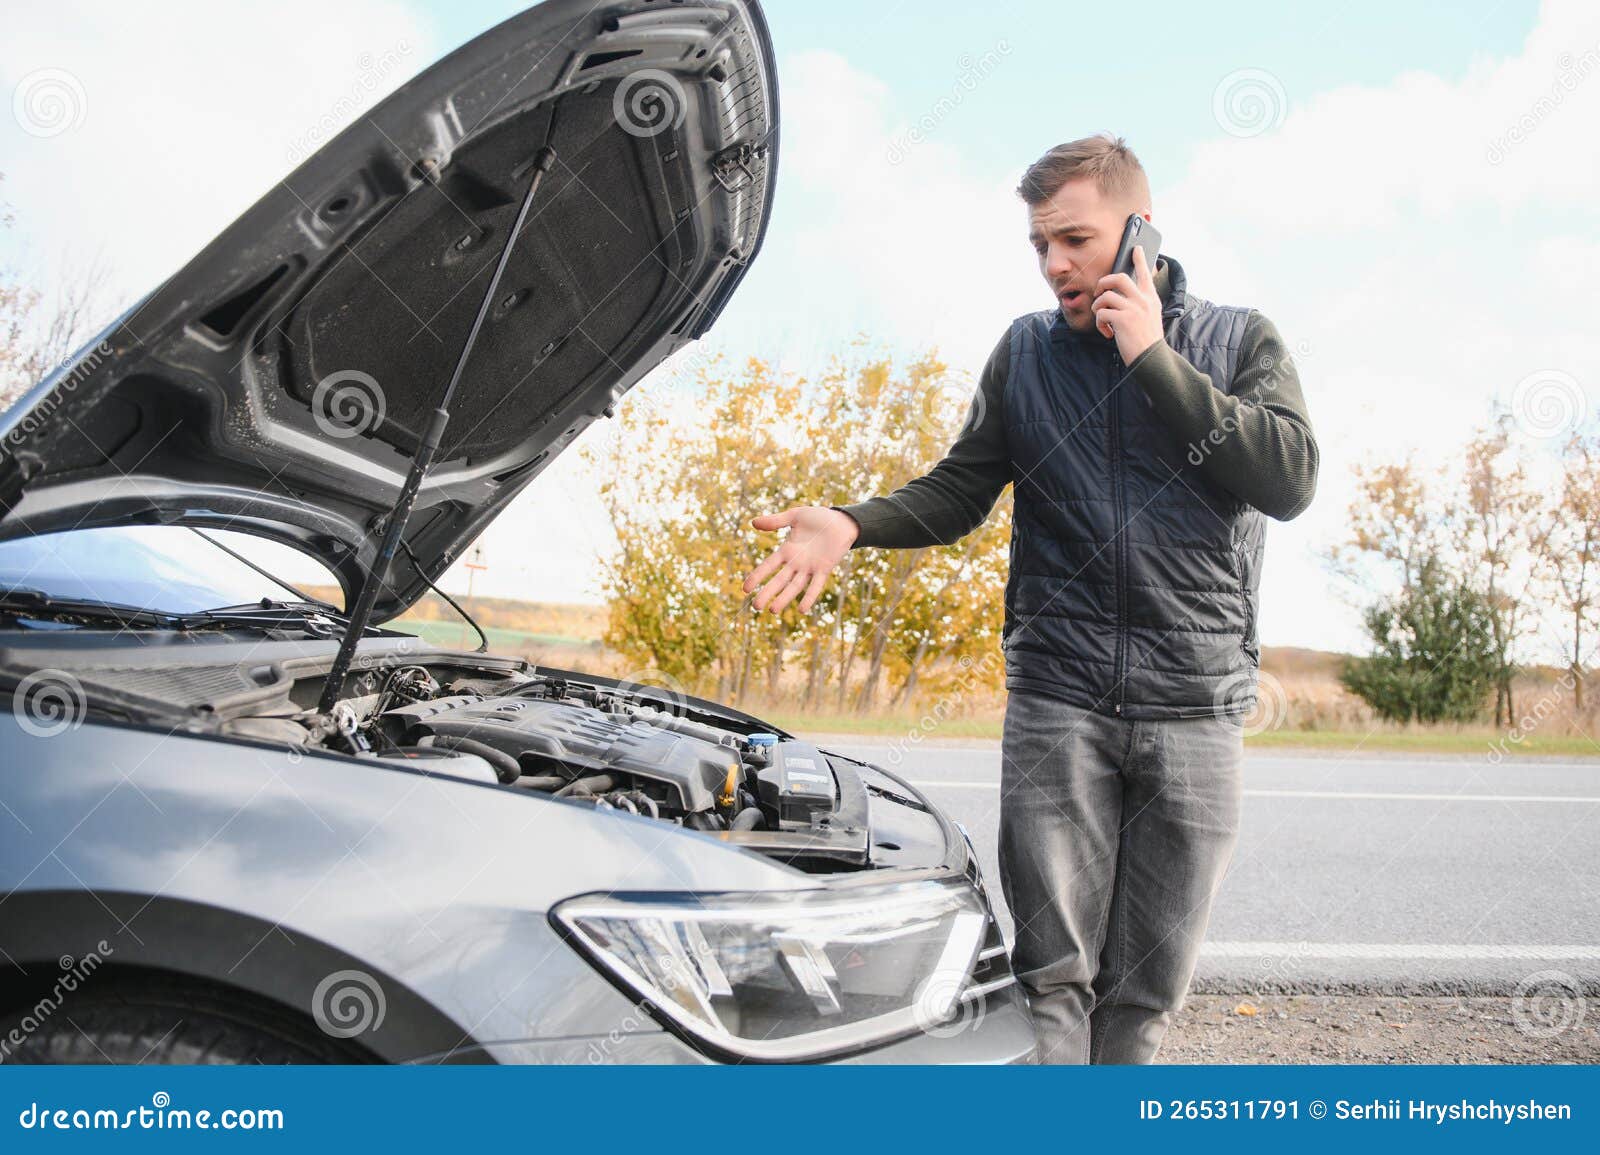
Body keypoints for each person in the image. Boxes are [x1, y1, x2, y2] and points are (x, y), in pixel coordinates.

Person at [740, 134, 1318, 1063]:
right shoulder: (1027, 356)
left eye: (1075, 241)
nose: (1054, 264)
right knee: (1051, 976)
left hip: (1196, 707)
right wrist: (851, 522)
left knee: (1143, 996)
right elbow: (957, 491)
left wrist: (1157, 361)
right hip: (1061, 702)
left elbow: (1287, 480)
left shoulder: (1238, 339)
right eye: (1041, 244)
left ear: (1141, 233)